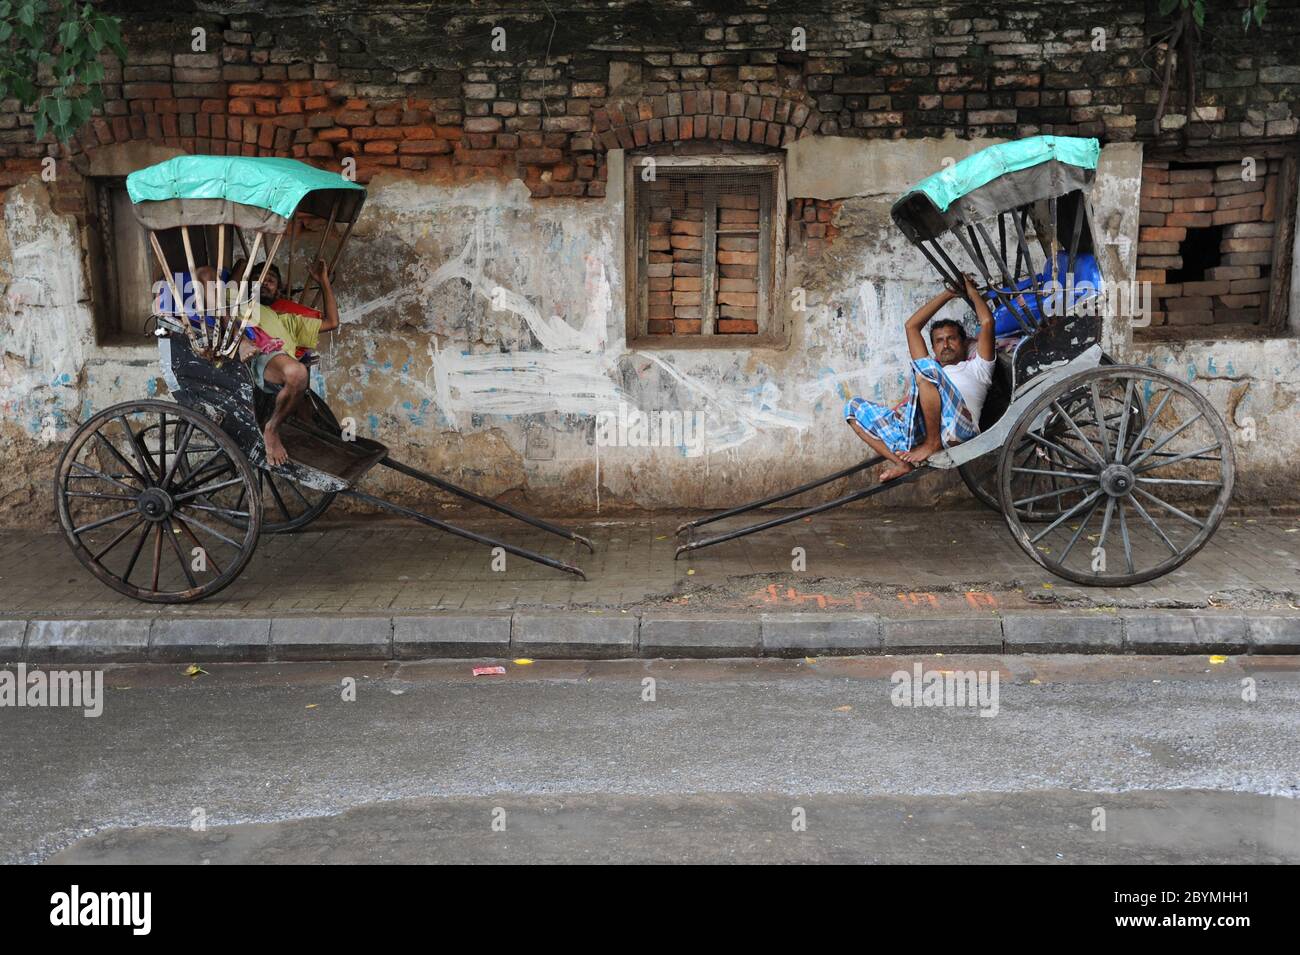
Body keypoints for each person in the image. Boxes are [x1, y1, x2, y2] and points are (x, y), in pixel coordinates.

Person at [844, 273, 996, 481]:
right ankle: (901, 463)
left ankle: (931, 444)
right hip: (924, 425)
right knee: (852, 408)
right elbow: (911, 327)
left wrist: (970, 291)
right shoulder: (932, 369)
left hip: (959, 428)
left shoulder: (978, 366)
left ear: (964, 342)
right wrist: (949, 293)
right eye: (940, 341)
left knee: (925, 371)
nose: (946, 345)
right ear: (933, 347)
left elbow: (987, 322)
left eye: (951, 339)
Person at [238, 258, 340, 466]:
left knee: (299, 378)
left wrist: (323, 281)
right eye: (259, 279)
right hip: (258, 361)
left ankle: (306, 434)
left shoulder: (288, 319)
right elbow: (234, 275)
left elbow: (332, 322)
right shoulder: (241, 306)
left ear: (279, 290)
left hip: (284, 365)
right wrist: (244, 267)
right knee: (297, 372)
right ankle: (272, 429)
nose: (265, 283)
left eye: (271, 280)